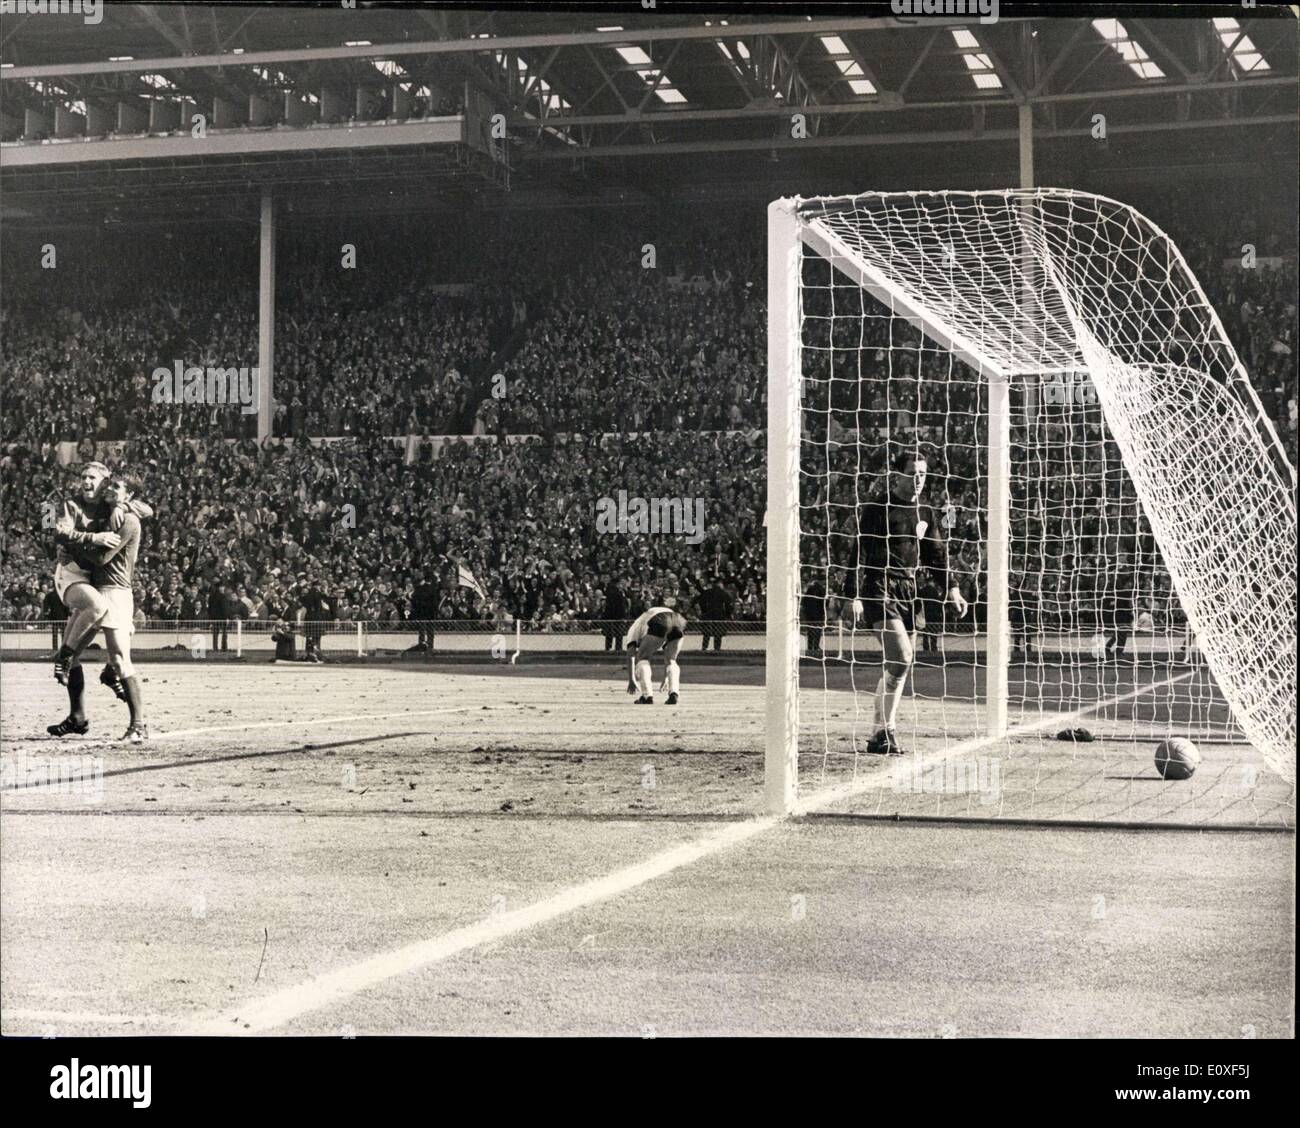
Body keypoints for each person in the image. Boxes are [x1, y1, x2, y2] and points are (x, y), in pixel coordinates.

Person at [851, 448, 968, 755]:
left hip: (909, 589)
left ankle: (878, 733)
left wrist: (952, 587)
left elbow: (937, 556)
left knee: (899, 665)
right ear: (896, 475)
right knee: (902, 657)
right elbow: (858, 551)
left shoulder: (927, 513)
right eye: (913, 473)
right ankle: (886, 730)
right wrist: (851, 594)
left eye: (923, 474)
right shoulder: (878, 508)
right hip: (879, 586)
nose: (919, 479)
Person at [49, 472, 148, 742]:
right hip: (99, 589)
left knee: (120, 659)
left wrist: (72, 547)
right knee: (73, 655)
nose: (108, 489)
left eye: (116, 487)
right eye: (110, 485)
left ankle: (138, 725)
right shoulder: (104, 510)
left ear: (129, 495)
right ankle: (77, 717)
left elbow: (103, 558)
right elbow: (56, 529)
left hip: (115, 592)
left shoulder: (127, 519)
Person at [623, 604, 688, 706]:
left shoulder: (633, 629)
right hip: (678, 619)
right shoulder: (644, 620)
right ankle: (674, 693)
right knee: (671, 659)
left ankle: (647, 696)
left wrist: (632, 680)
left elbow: (631, 655)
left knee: (642, 657)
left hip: (659, 619)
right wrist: (666, 677)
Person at [695, 576, 734, 652]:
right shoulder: (722, 593)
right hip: (719, 615)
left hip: (708, 614)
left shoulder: (707, 592)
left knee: (707, 633)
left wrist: (704, 612)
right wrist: (727, 614)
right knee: (718, 633)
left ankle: (704, 648)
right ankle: (717, 649)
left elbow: (701, 602)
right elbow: (728, 604)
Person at [602, 576, 628, 653]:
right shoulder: (618, 593)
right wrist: (623, 615)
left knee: (610, 633)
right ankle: (618, 647)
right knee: (618, 632)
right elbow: (620, 606)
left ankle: (608, 647)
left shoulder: (609, 591)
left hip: (610, 616)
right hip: (617, 616)